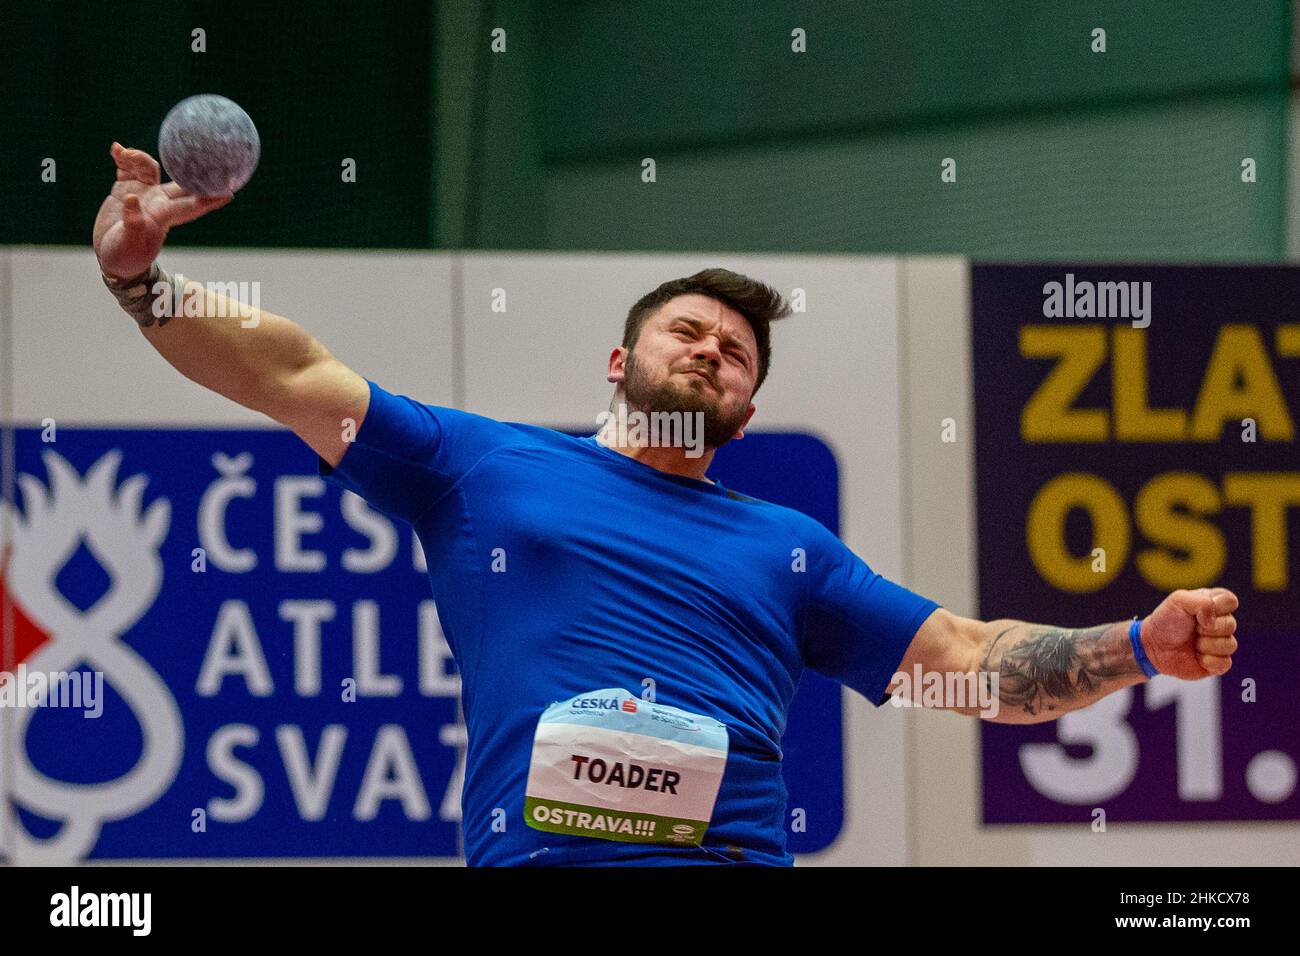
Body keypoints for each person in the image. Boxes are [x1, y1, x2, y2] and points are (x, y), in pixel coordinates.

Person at [93, 142, 1241, 866]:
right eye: (685, 330)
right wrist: (142, 280)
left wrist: (1141, 642)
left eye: (736, 352)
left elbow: (972, 659)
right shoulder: (480, 467)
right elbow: (288, 372)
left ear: (745, 410)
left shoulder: (789, 550)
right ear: (617, 359)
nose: (710, 353)